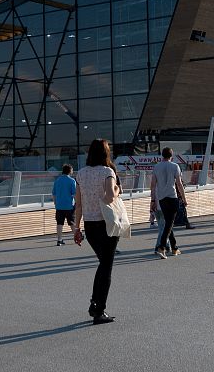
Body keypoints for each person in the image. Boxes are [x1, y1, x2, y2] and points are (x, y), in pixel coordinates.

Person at [72, 139, 122, 324]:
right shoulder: (107, 172)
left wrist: (77, 228)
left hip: (90, 225)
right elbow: (110, 198)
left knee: (103, 264)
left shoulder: (81, 174)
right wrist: (116, 189)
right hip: (107, 224)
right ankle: (98, 309)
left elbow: (78, 204)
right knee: (106, 267)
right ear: (105, 153)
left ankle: (95, 304)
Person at [149, 148, 187, 259]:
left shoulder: (156, 167)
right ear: (172, 155)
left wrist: (152, 200)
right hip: (172, 196)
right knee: (169, 223)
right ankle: (162, 247)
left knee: (168, 223)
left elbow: (153, 185)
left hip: (161, 198)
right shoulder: (175, 166)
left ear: (162, 155)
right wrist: (184, 199)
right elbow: (179, 184)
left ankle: (174, 248)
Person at [52, 164, 77, 246]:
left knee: (59, 223)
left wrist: (55, 203)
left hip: (59, 206)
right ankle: (77, 236)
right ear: (70, 171)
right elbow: (74, 194)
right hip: (69, 205)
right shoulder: (71, 181)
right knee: (71, 222)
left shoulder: (57, 180)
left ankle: (59, 240)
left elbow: (54, 194)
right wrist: (78, 203)